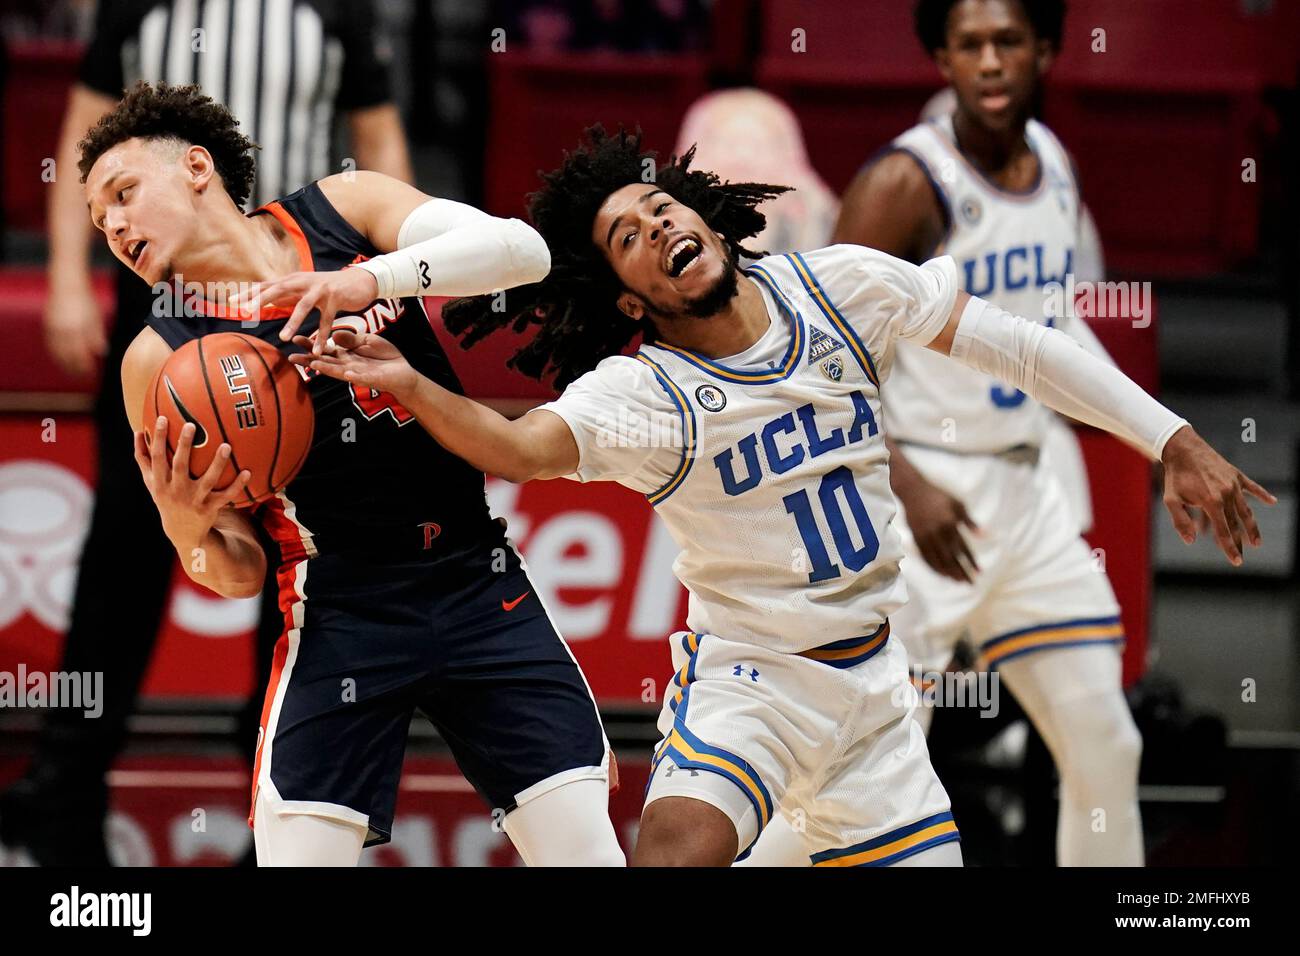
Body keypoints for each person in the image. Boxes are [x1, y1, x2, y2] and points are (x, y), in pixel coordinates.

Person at [283, 125, 1272, 866]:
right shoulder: (646, 393)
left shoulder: (841, 286)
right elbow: (516, 446)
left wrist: (1171, 436)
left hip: (878, 704)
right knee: (673, 848)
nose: (656, 220)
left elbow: (1018, 343)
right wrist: (408, 380)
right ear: (629, 298)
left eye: (658, 203)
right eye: (626, 234)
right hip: (751, 686)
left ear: (702, 213)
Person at [78, 81, 624, 867]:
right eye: (100, 220)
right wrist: (183, 522)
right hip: (339, 609)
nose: (116, 226)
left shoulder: (344, 208)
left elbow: (522, 252)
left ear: (197, 167)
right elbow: (232, 575)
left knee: (589, 859)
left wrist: (370, 280)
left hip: (478, 578)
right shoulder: (158, 360)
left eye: (124, 194)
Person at [1, 0, 413, 866]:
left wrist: (388, 276)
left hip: (288, 301)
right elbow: (84, 134)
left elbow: (378, 142)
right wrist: (69, 276)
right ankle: (65, 780)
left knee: (297, 549)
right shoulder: (135, 6)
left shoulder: (337, 11)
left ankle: (271, 788)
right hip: (161, 312)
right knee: (131, 541)